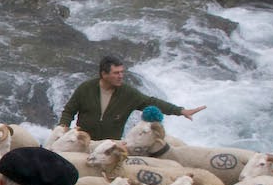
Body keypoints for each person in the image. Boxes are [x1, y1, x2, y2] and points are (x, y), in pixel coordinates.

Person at [58, 55, 205, 142]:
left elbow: (151, 102)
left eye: (122, 72)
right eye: (116, 73)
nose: (121, 76)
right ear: (104, 74)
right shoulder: (86, 88)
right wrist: (63, 129)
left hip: (110, 146)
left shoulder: (127, 93)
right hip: (83, 141)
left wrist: (181, 111)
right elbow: (69, 111)